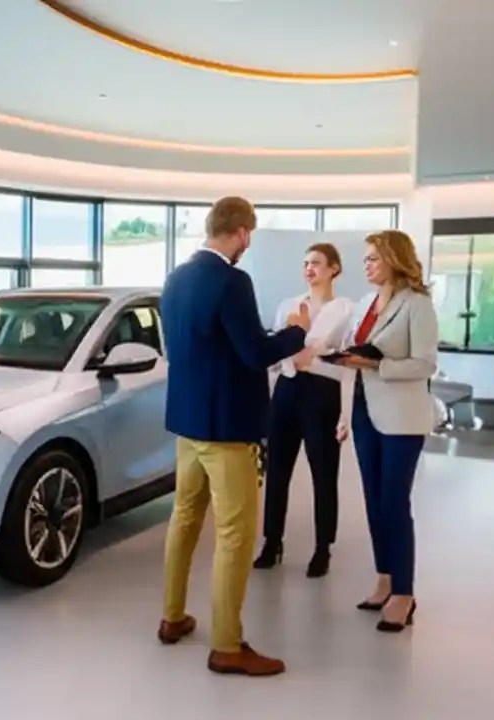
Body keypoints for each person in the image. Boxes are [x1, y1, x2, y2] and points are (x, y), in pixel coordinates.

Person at [158, 196, 310, 676]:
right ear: (243, 232)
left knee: (184, 519)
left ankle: (173, 617)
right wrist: (295, 332)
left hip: (187, 423)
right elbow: (252, 354)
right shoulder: (233, 279)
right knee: (235, 534)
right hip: (227, 429)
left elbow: (209, 345)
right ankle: (227, 644)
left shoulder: (176, 277)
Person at [331, 230, 438, 633]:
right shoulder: (363, 305)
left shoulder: (417, 305)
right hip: (363, 411)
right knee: (374, 502)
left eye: (374, 257)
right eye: (366, 258)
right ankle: (384, 579)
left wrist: (377, 365)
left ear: (395, 259)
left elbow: (426, 364)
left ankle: (405, 593)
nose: (367, 264)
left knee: (394, 502)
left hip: (401, 418)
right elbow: (356, 358)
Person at [254, 244, 356, 578]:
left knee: (323, 471)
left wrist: (311, 354)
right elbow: (277, 345)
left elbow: (343, 358)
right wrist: (298, 355)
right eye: (305, 263)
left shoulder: (345, 309)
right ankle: (272, 541)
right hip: (287, 389)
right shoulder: (288, 304)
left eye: (316, 263)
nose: (309, 268)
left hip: (322, 393)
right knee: (278, 470)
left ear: (334, 269)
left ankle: (322, 547)